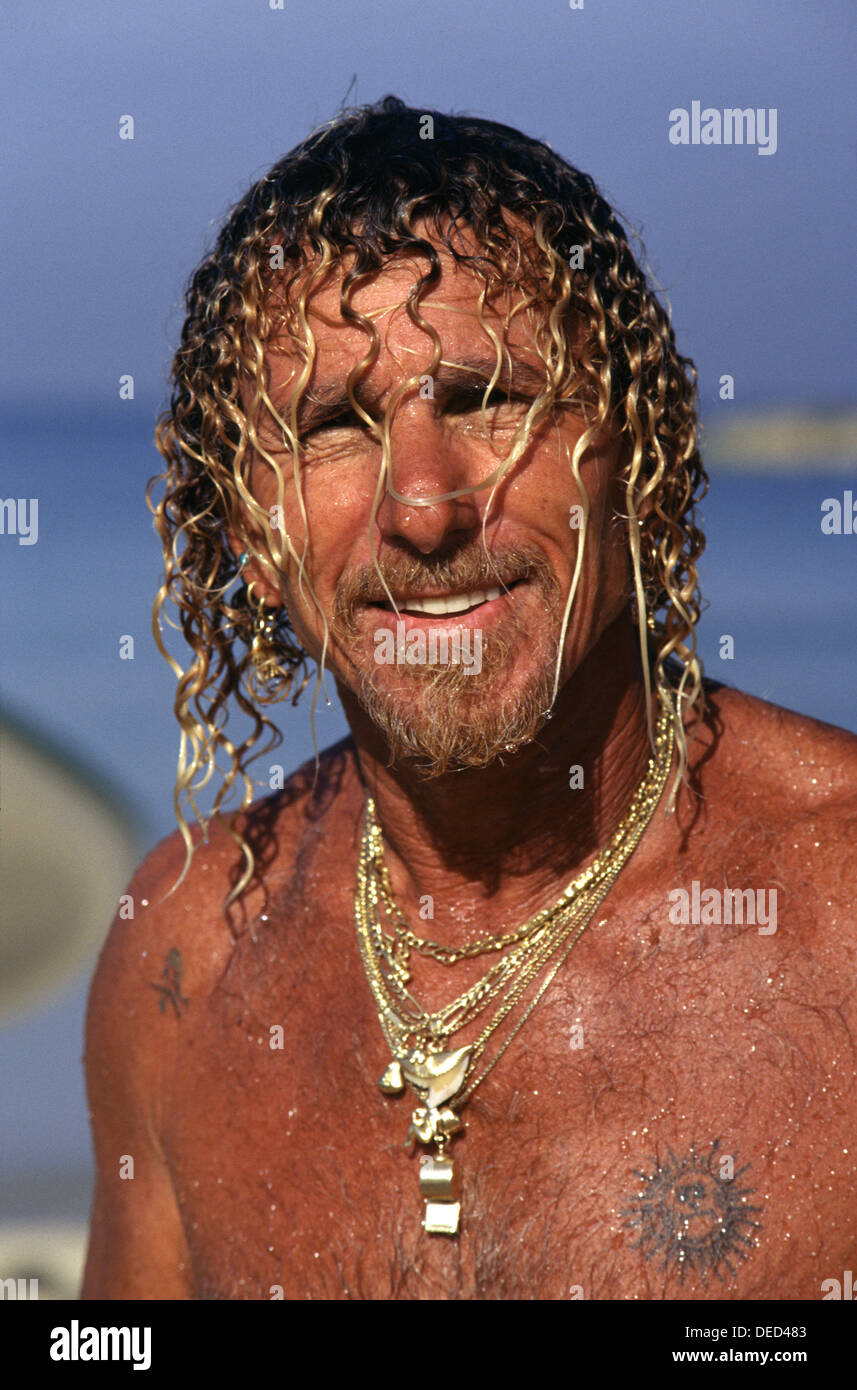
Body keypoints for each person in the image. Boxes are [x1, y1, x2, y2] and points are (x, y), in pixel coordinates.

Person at [82, 96, 857, 1301]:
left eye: (492, 400)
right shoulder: (184, 954)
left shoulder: (837, 905)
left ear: (635, 451)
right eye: (334, 428)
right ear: (249, 526)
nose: (426, 507)